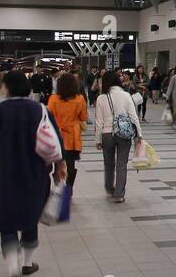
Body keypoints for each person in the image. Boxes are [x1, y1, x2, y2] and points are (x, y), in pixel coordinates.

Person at [0, 70, 65, 277]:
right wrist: (60, 166)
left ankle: (13, 268)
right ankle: (27, 264)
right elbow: (55, 140)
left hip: (4, 174)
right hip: (35, 173)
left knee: (7, 221)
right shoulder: (41, 110)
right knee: (30, 217)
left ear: (6, 88)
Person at [95, 70, 144, 203]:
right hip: (124, 133)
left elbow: (99, 121)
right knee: (122, 164)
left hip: (107, 134)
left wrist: (97, 140)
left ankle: (109, 188)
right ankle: (119, 194)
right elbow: (133, 116)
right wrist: (139, 135)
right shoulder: (126, 95)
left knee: (108, 163)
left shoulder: (101, 98)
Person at [47, 72, 88, 187]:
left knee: (58, 163)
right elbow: (83, 117)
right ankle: (69, 189)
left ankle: (58, 184)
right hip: (72, 136)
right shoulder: (80, 99)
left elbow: (49, 116)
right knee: (71, 165)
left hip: (57, 135)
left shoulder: (53, 99)